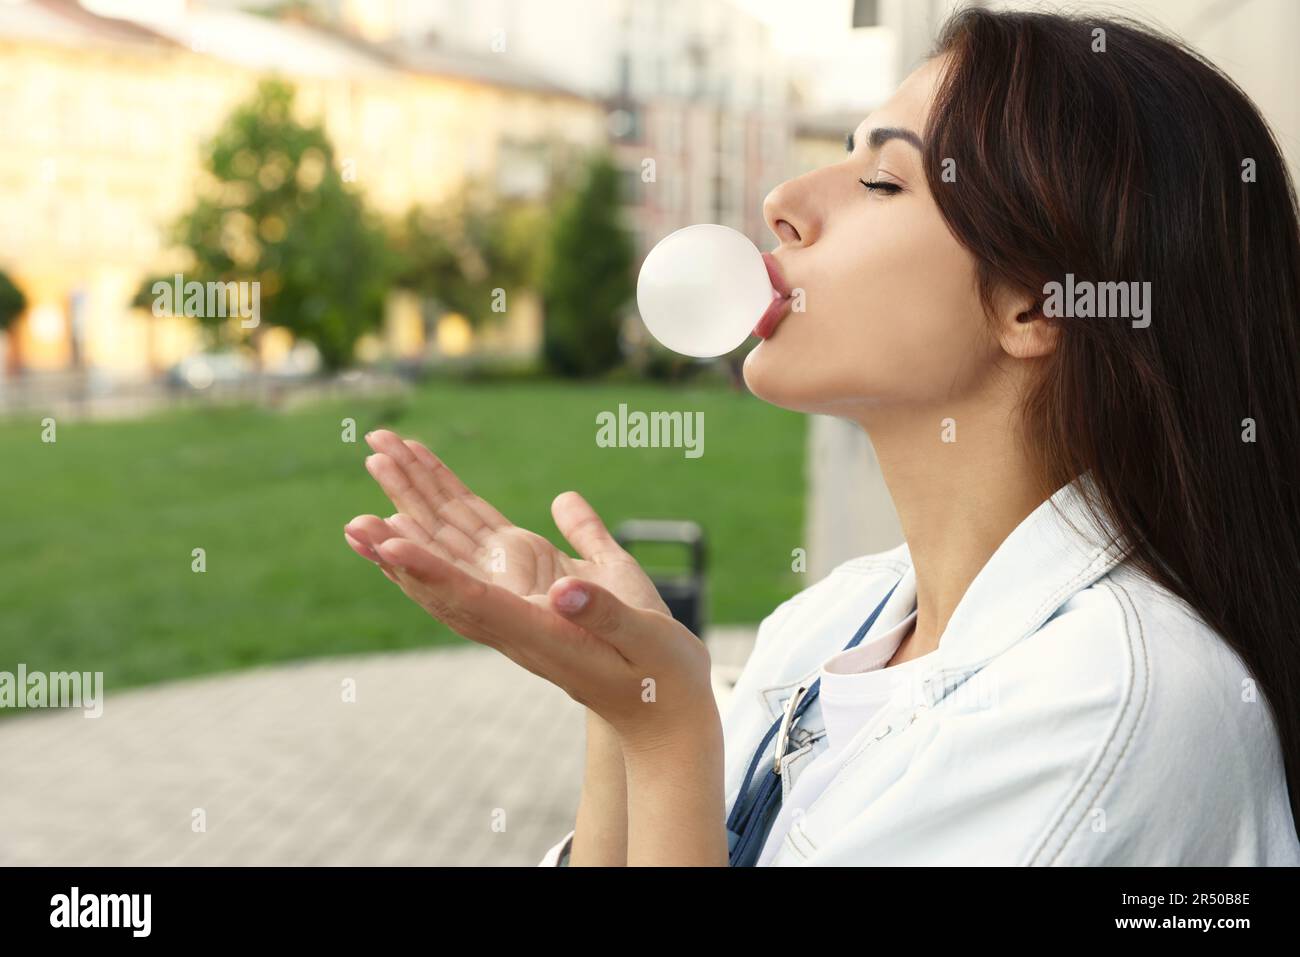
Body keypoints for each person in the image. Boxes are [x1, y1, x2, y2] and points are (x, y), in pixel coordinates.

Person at [342, 7, 1300, 865]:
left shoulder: (1112, 703)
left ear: (1033, 303)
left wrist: (669, 733)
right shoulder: (831, 621)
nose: (784, 201)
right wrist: (616, 691)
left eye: (882, 180)